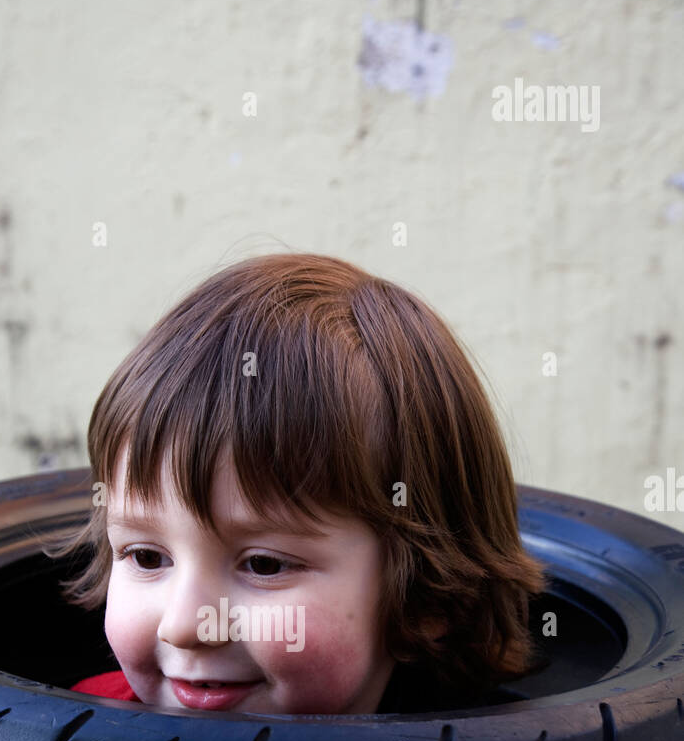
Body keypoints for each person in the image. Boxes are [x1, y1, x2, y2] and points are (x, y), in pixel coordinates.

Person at [48, 251, 548, 714]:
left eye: (264, 565)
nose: (184, 626)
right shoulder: (79, 729)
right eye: (147, 557)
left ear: (427, 597)